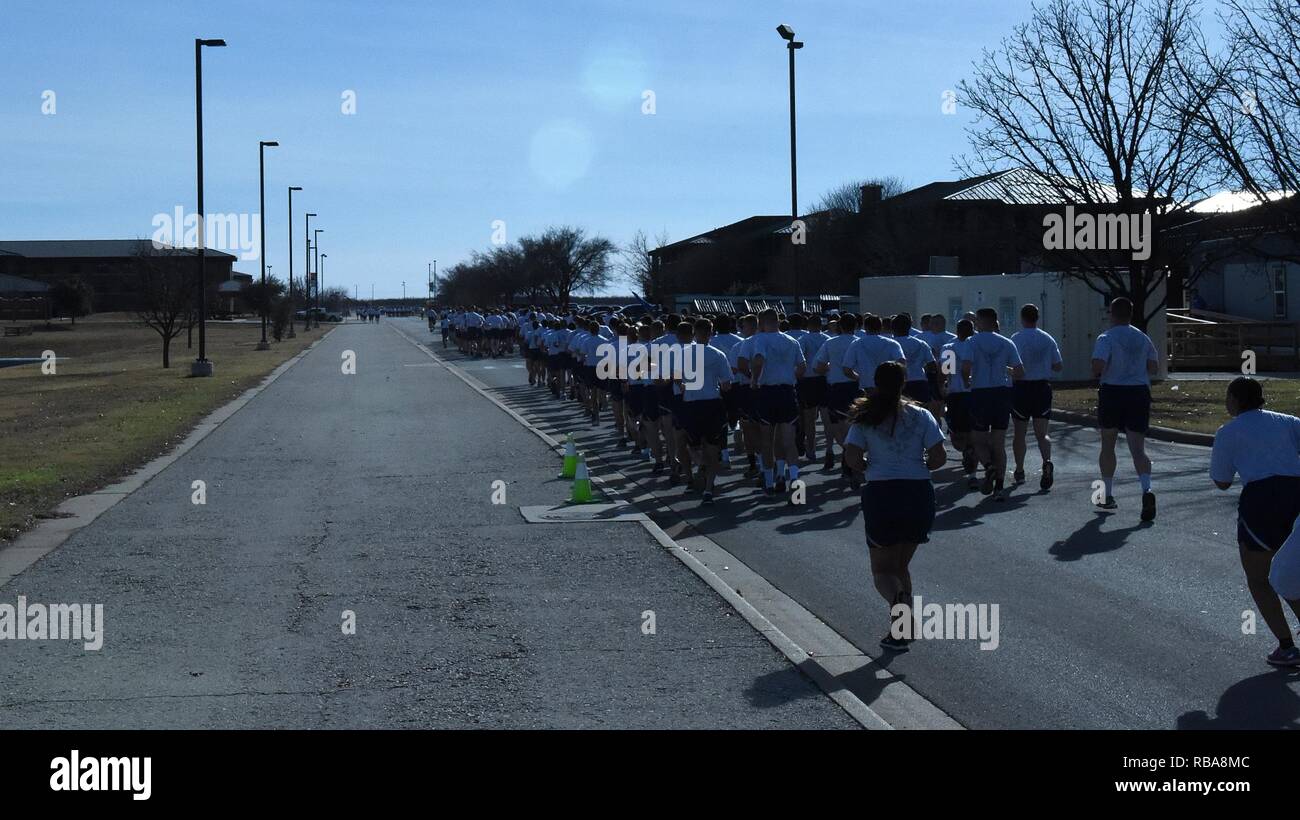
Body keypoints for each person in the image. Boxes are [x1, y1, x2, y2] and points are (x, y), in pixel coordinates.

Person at [842, 361, 947, 652]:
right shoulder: (922, 415)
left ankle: (899, 606)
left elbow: (852, 457)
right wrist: (918, 464)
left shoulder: (865, 416)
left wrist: (867, 466)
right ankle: (903, 627)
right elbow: (939, 457)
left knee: (882, 571)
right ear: (904, 383)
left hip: (883, 492)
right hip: (918, 492)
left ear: (875, 382)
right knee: (901, 565)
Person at [1209, 376, 1300, 668]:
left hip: (1262, 502)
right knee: (1293, 569)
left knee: (1260, 579)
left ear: (1234, 400)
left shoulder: (1228, 432)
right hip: (1297, 493)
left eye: (1227, 397)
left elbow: (1222, 481)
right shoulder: (1287, 421)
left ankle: (1287, 646)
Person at [1091, 297, 1159, 521]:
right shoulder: (1142, 337)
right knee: (1137, 447)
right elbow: (1153, 367)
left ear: (1112, 313)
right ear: (1130, 313)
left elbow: (1098, 367)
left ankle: (1107, 493)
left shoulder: (1106, 337)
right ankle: (1146, 489)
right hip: (1138, 391)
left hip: (1113, 391)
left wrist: (1104, 370)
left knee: (1108, 443)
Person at [960, 307, 1023, 501]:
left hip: (981, 393)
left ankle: (988, 466)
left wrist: (967, 381)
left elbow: (966, 367)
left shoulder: (972, 341)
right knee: (999, 442)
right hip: (1002, 393)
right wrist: (1006, 371)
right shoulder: (1007, 342)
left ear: (980, 321)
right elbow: (1019, 371)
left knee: (979, 439)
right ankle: (1000, 488)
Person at [748, 308, 806, 496]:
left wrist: (755, 379)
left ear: (763, 323)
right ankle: (793, 480)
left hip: (768, 392)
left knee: (767, 440)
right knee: (788, 439)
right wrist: (790, 377)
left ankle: (769, 482)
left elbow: (758, 360)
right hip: (787, 391)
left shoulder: (761, 339)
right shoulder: (792, 341)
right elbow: (802, 366)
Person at [1010, 303, 1063, 490]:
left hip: (1022, 388)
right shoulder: (1048, 339)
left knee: (1020, 433)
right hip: (1042, 388)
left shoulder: (1016, 339)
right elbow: (1058, 366)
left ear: (1022, 318)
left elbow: (1012, 366)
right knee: (1042, 433)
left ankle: (1019, 470)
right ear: (1037, 317)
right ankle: (1047, 461)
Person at [680, 318, 733, 504]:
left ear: (694, 332)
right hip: (711, 403)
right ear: (710, 333)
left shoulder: (683, 353)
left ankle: (702, 466)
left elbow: (675, 378)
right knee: (712, 448)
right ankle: (709, 488)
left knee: (691, 445)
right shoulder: (718, 355)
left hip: (692, 404)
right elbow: (726, 385)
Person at [940, 318, 979, 489]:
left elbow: (946, 373)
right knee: (966, 431)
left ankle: (969, 454)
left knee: (961, 431)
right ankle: (969, 451)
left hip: (959, 394)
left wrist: (942, 388)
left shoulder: (951, 348)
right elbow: (946, 372)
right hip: (967, 393)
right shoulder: (954, 348)